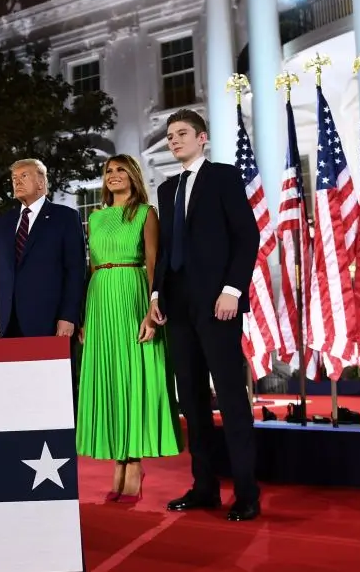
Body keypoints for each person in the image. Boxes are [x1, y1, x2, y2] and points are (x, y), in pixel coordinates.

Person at [149, 109, 261, 522]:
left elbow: (247, 236)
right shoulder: (167, 189)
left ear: (202, 138)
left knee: (231, 399)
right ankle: (204, 487)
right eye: (170, 135)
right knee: (191, 403)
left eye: (181, 134)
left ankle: (247, 493)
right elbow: (164, 250)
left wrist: (232, 289)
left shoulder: (225, 177)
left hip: (219, 305)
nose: (173, 140)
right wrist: (157, 293)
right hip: (177, 307)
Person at [76, 154, 182, 503]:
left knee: (132, 377)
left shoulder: (145, 214)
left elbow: (153, 263)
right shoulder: (94, 218)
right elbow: (91, 269)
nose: (114, 176)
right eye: (108, 171)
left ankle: (134, 461)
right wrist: (87, 319)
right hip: (101, 299)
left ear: (134, 175)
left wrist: (152, 311)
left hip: (133, 295)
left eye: (121, 170)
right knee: (110, 379)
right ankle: (117, 460)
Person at [0, 158, 85, 339]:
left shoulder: (65, 218)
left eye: (24, 176)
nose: (17, 181)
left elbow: (75, 271)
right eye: (14, 178)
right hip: (8, 322)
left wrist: (69, 316)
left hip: (51, 321)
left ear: (41, 182)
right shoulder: (3, 223)